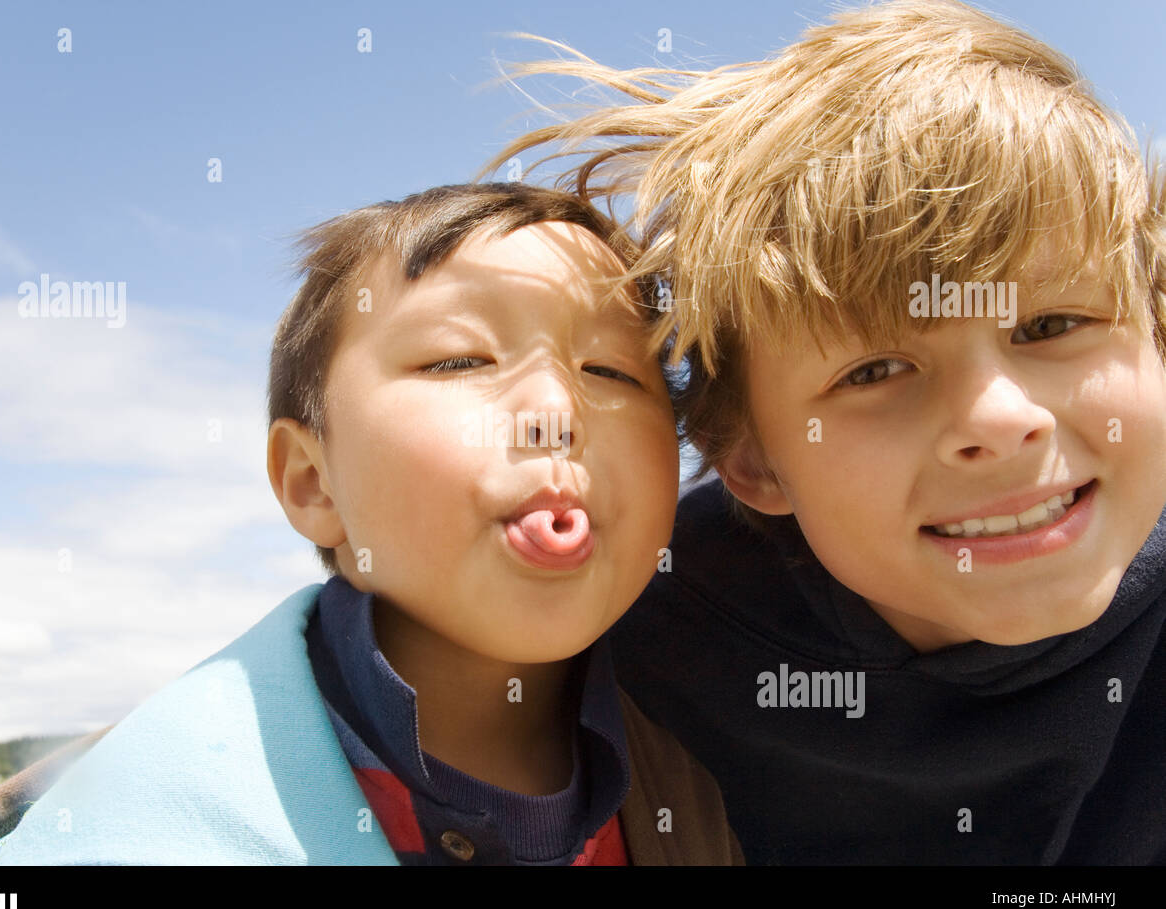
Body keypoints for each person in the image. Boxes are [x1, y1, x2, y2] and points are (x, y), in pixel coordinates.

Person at [480, 0, 1166, 863]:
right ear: (752, 461)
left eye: (1053, 324)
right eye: (873, 372)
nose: (1000, 421)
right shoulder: (636, 627)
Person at [0, 182, 740, 865]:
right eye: (458, 360)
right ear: (311, 482)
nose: (556, 412)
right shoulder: (130, 829)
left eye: (611, 370)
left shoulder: (710, 773)